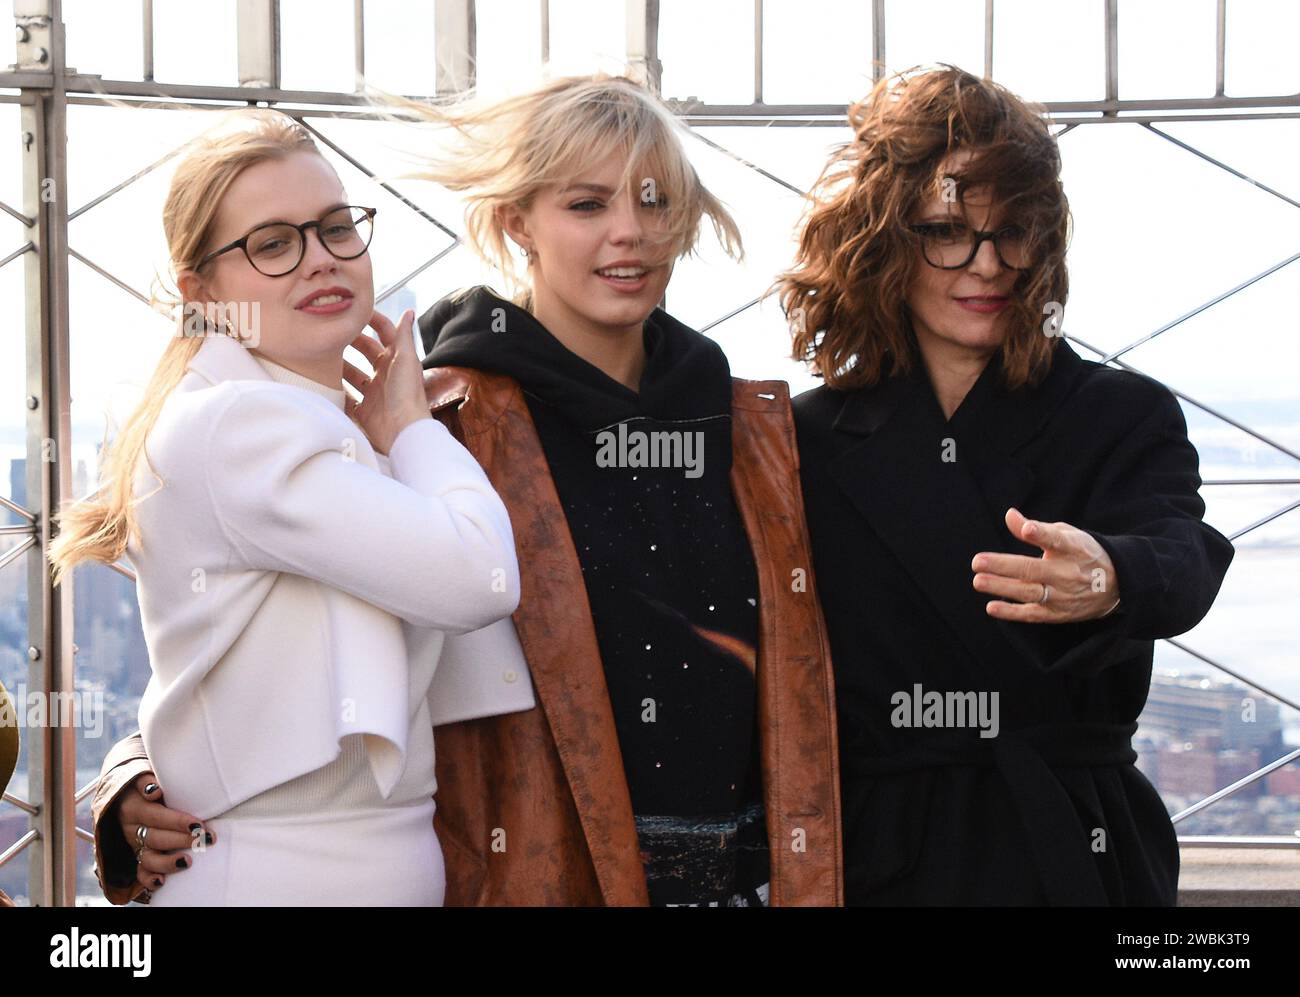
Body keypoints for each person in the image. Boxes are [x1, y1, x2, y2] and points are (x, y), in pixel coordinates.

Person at [89, 74, 842, 906]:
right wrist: (136, 782)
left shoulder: (756, 434)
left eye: (655, 201)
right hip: (523, 879)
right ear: (517, 221)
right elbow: (244, 643)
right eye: (587, 204)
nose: (629, 232)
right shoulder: (438, 426)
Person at [780, 65, 1235, 905]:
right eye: (947, 232)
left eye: (1014, 231)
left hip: (1069, 842)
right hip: (878, 851)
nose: (987, 266)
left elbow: (1183, 555)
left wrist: (1110, 575)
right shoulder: (803, 437)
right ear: (882, 239)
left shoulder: (1119, 414)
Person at [49, 108, 528, 906]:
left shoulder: (300, 418)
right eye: (272, 244)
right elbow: (480, 576)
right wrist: (412, 428)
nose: (320, 258)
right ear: (201, 293)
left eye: (337, 227)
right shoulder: (243, 421)